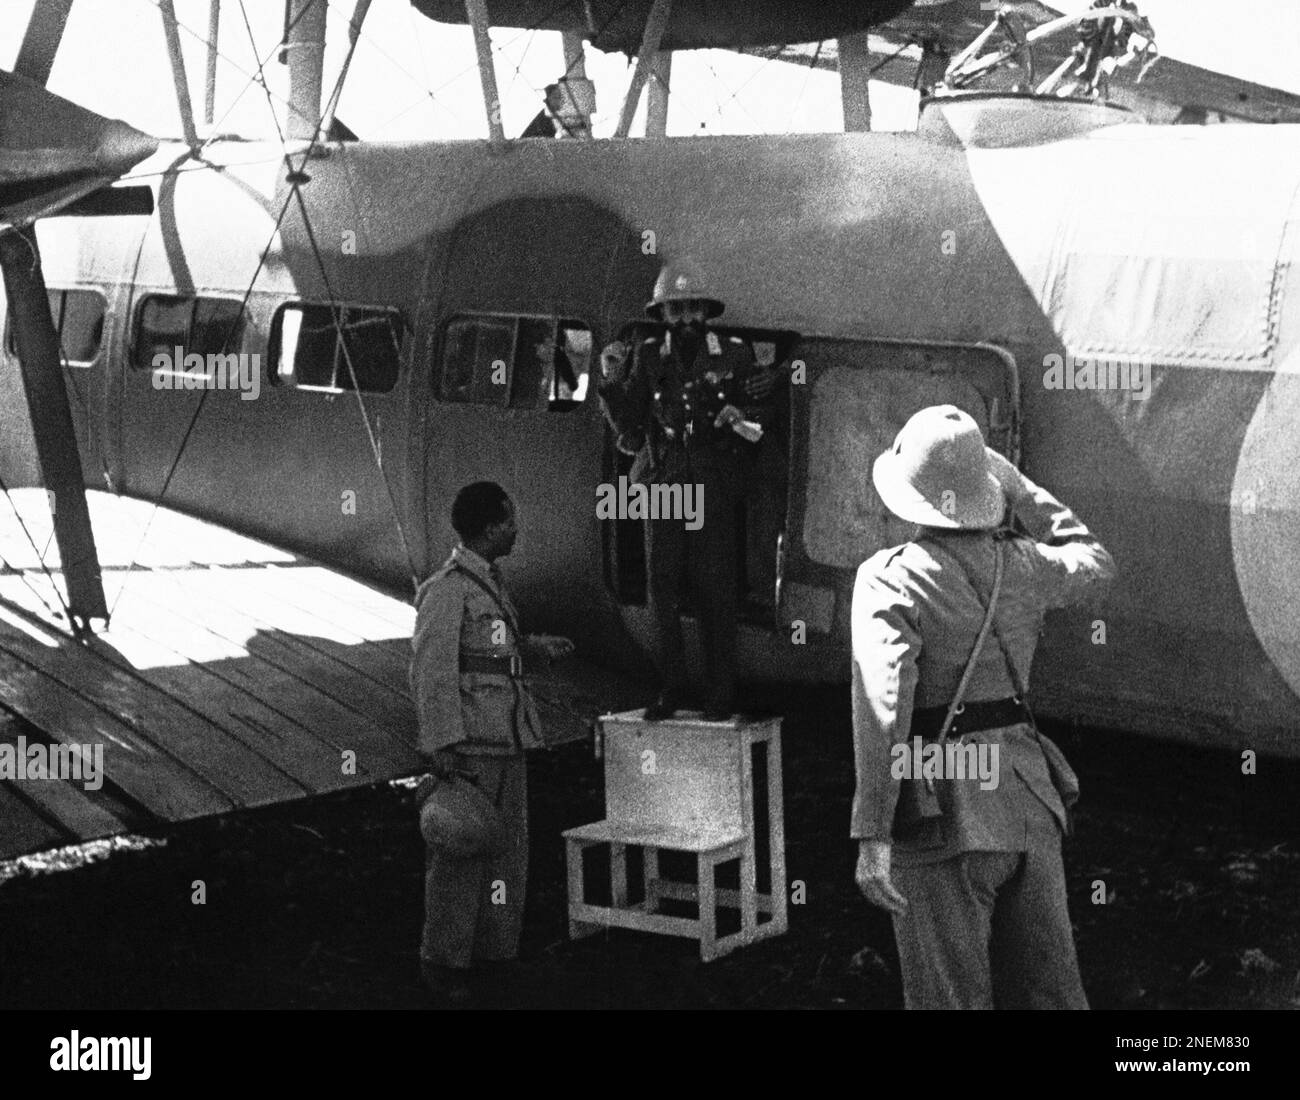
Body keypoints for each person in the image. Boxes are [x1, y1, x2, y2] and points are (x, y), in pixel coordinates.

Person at [850, 405, 1115, 1009]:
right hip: (1027, 799)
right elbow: (1095, 562)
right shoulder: (1026, 563)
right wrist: (1019, 486)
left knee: (950, 999)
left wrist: (873, 834)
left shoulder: (888, 579)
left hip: (943, 804)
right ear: (983, 488)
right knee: (1049, 995)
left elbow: (882, 706)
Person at [410, 481, 574, 1005]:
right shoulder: (448, 589)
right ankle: (443, 961)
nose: (516, 528)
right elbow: (430, 672)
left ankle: (493, 954)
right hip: (473, 745)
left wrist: (533, 648)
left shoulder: (488, 584)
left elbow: (491, 652)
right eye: (508, 521)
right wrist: (441, 743)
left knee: (506, 856)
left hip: (506, 739)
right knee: (459, 854)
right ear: (488, 529)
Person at [598, 259, 776, 721]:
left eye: (692, 309)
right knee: (662, 590)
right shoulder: (649, 354)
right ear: (663, 316)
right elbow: (631, 427)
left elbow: (760, 422)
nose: (685, 319)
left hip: (713, 484)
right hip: (664, 482)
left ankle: (719, 695)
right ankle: (670, 689)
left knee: (716, 590)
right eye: (675, 311)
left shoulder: (734, 353)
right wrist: (612, 383)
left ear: (706, 311)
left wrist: (740, 417)